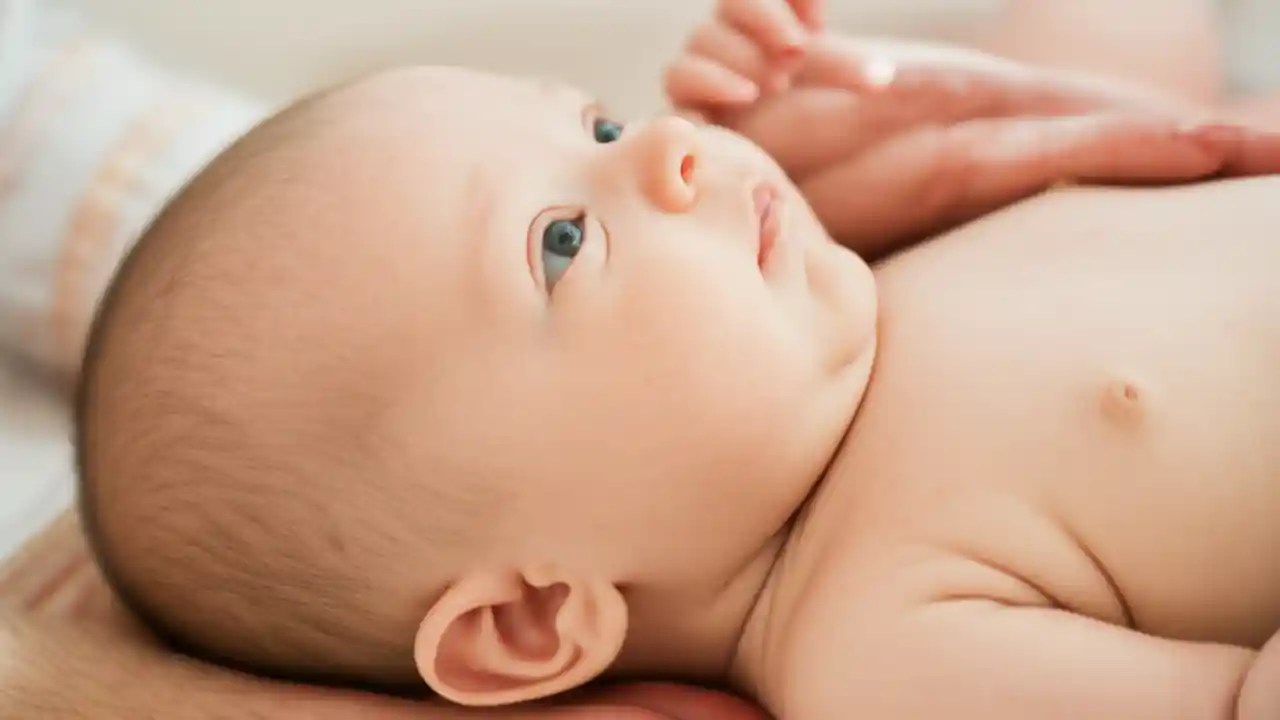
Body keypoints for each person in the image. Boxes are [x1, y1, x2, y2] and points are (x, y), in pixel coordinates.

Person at [68, 0, 1280, 716]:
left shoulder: (902, 256)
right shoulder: (878, 645)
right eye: (560, 241)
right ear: (534, 618)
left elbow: (1129, 74)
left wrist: (887, 78)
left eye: (595, 123)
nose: (667, 149)